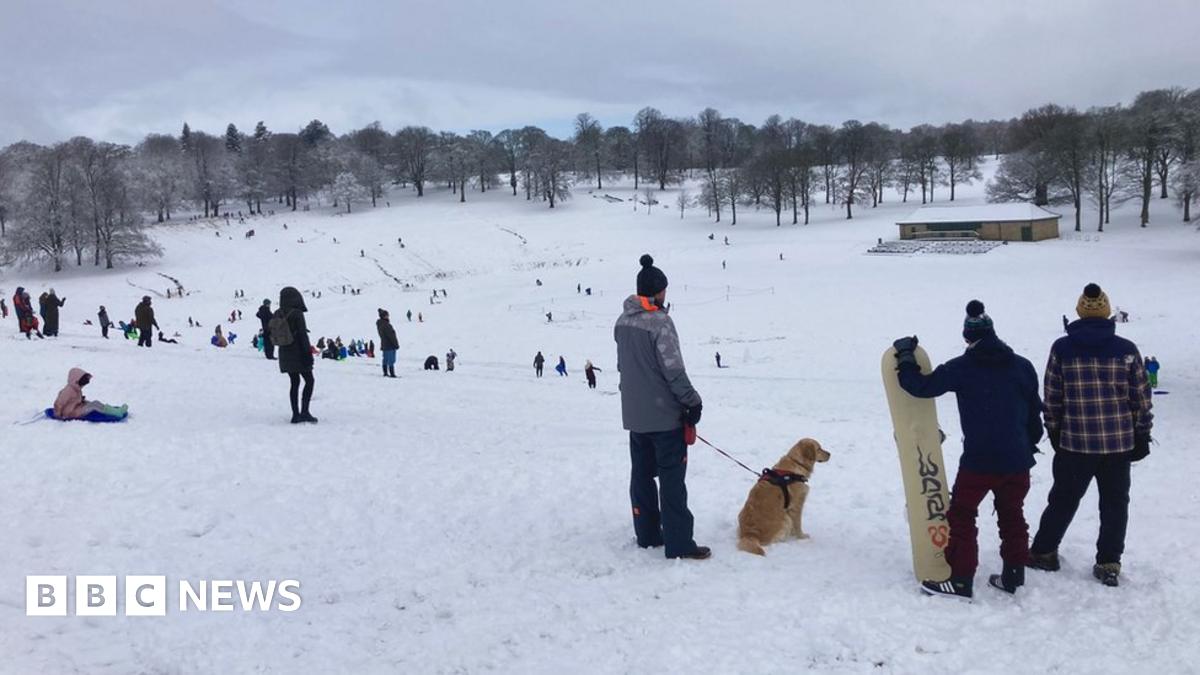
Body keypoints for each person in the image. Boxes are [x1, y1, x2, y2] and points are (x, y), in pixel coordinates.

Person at [893, 300, 1044, 599]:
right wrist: (1028, 447)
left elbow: (920, 387)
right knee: (1012, 513)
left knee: (962, 515)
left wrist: (906, 356)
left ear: (967, 337)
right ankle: (1014, 574)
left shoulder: (961, 368)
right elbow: (1034, 416)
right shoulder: (1022, 366)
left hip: (980, 462)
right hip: (1017, 460)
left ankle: (961, 579)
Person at [1029, 284, 1153, 588]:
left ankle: (1045, 551)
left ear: (1079, 311)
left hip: (1075, 442)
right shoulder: (1125, 349)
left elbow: (1052, 395)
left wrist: (1054, 431)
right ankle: (1109, 562)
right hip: (1118, 443)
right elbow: (1141, 397)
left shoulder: (1062, 348)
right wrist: (1143, 433)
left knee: (1064, 499)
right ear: (1107, 311)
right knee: (1115, 503)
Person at [614, 254, 708, 560]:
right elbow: (673, 370)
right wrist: (692, 402)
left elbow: (624, 368)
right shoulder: (661, 323)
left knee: (641, 476)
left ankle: (648, 534)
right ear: (658, 291)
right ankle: (679, 543)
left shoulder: (622, 322)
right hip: (664, 419)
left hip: (635, 417)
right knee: (671, 480)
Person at [277, 286, 317, 424]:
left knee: (294, 383)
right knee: (309, 381)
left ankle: (295, 414)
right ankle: (305, 412)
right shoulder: (297, 313)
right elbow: (302, 336)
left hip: (284, 353)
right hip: (299, 353)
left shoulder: (278, 312)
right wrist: (308, 354)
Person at [52, 368, 127, 420]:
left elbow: (73, 400)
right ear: (76, 380)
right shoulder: (68, 390)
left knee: (95, 403)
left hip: (76, 408)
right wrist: (58, 415)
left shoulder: (76, 388)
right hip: (70, 413)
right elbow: (58, 403)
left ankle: (114, 410)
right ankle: (116, 413)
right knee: (93, 406)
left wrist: (81, 400)